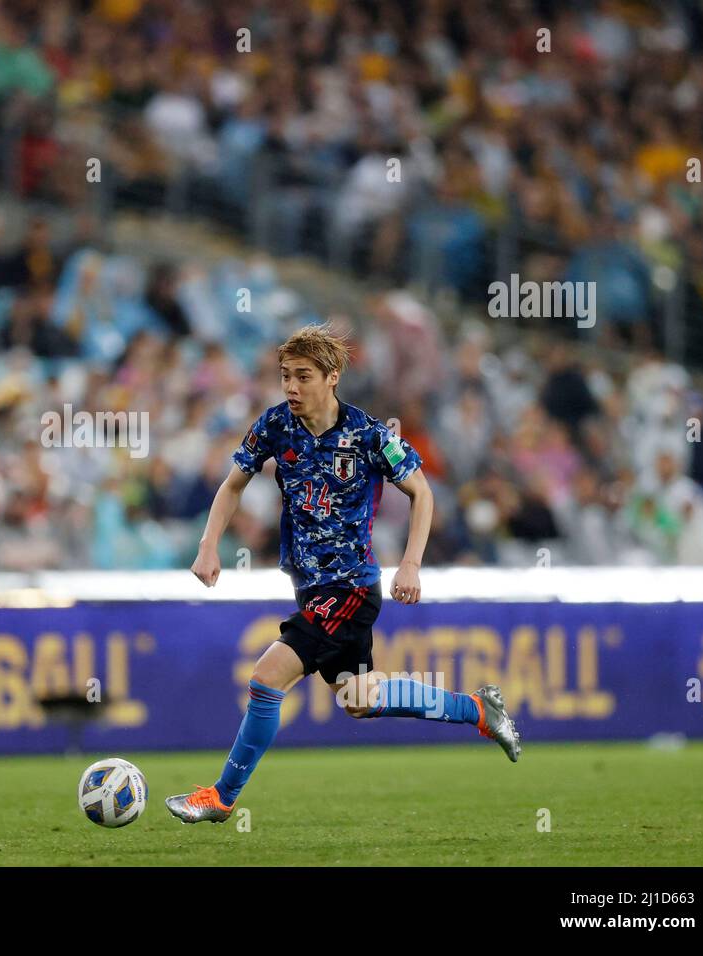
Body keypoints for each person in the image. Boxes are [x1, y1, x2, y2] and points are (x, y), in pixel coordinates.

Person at [166, 324, 521, 825]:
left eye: (303, 376)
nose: (291, 387)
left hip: (351, 588)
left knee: (267, 680)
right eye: (285, 376)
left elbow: (422, 492)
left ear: (332, 378)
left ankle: (222, 797)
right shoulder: (274, 426)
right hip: (309, 589)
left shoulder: (370, 434)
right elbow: (231, 486)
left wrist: (412, 564)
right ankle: (480, 711)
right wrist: (208, 545)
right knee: (361, 698)